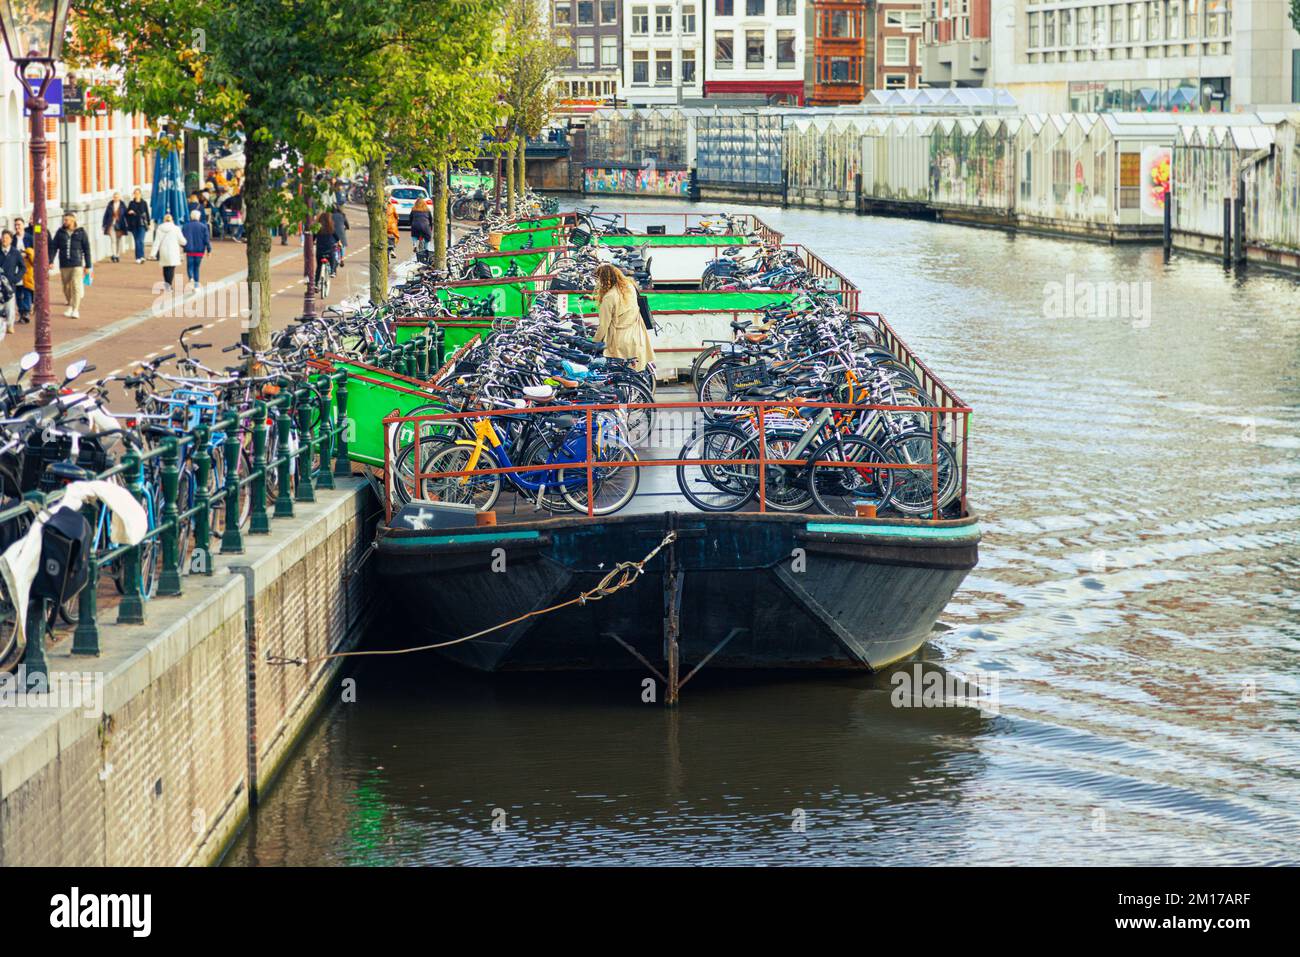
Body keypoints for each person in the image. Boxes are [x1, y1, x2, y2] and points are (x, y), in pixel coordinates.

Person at [593, 263, 655, 373]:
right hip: (636, 334)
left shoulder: (608, 298)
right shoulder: (629, 286)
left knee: (617, 372)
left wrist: (594, 343)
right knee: (633, 371)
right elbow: (622, 301)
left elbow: (603, 326)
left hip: (620, 341)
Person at [49, 213, 92, 319]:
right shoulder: (60, 232)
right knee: (66, 287)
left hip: (77, 263)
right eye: (64, 220)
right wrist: (51, 261)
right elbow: (54, 247)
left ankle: (75, 309)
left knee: (76, 285)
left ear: (73, 220)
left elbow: (87, 249)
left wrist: (88, 265)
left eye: (67, 220)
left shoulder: (81, 232)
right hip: (64, 264)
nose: (65, 222)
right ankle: (70, 304)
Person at [150, 213, 186, 288]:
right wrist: (185, 243)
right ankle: (169, 284)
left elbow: (157, 242)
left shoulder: (160, 228)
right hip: (173, 251)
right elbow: (182, 241)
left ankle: (166, 283)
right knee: (171, 268)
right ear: (172, 220)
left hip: (163, 250)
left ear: (164, 220)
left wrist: (153, 253)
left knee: (165, 267)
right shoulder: (176, 228)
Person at [180, 209, 211, 285]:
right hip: (199, 251)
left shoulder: (186, 226)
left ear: (191, 216)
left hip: (189, 250)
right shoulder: (203, 227)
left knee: (189, 266)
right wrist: (209, 250)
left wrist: (183, 247)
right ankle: (196, 284)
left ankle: (191, 278)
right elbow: (206, 239)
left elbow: (182, 238)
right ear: (199, 217)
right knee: (196, 268)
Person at [0, 230, 20, 333]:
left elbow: (23, 268)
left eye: (7, 238)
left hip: (10, 284)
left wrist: (16, 278)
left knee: (10, 306)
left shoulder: (15, 252)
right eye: (3, 237)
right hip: (0, 282)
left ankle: (10, 325)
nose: (4, 239)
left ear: (11, 240)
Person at [125, 188, 151, 263]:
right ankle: (138, 257)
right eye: (135, 193)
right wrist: (129, 212)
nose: (137, 195)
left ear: (140, 194)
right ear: (134, 194)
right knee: (137, 241)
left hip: (142, 224)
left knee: (141, 241)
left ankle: (142, 256)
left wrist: (148, 223)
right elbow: (126, 213)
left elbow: (147, 213)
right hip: (133, 224)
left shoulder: (144, 203)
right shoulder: (131, 203)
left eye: (138, 193)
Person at [102, 192, 128, 262]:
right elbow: (106, 215)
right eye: (114, 197)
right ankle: (113, 255)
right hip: (111, 224)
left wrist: (128, 223)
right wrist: (104, 224)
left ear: (119, 198)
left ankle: (117, 254)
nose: (115, 198)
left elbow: (126, 215)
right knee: (113, 240)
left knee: (118, 240)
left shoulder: (122, 205)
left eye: (117, 197)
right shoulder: (110, 205)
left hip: (120, 225)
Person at [313, 212, 337, 287]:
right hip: (329, 249)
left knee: (319, 266)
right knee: (333, 258)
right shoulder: (331, 228)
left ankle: (316, 284)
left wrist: (313, 242)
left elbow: (313, 238)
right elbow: (336, 237)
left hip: (320, 250)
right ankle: (332, 271)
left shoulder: (317, 228)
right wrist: (339, 242)